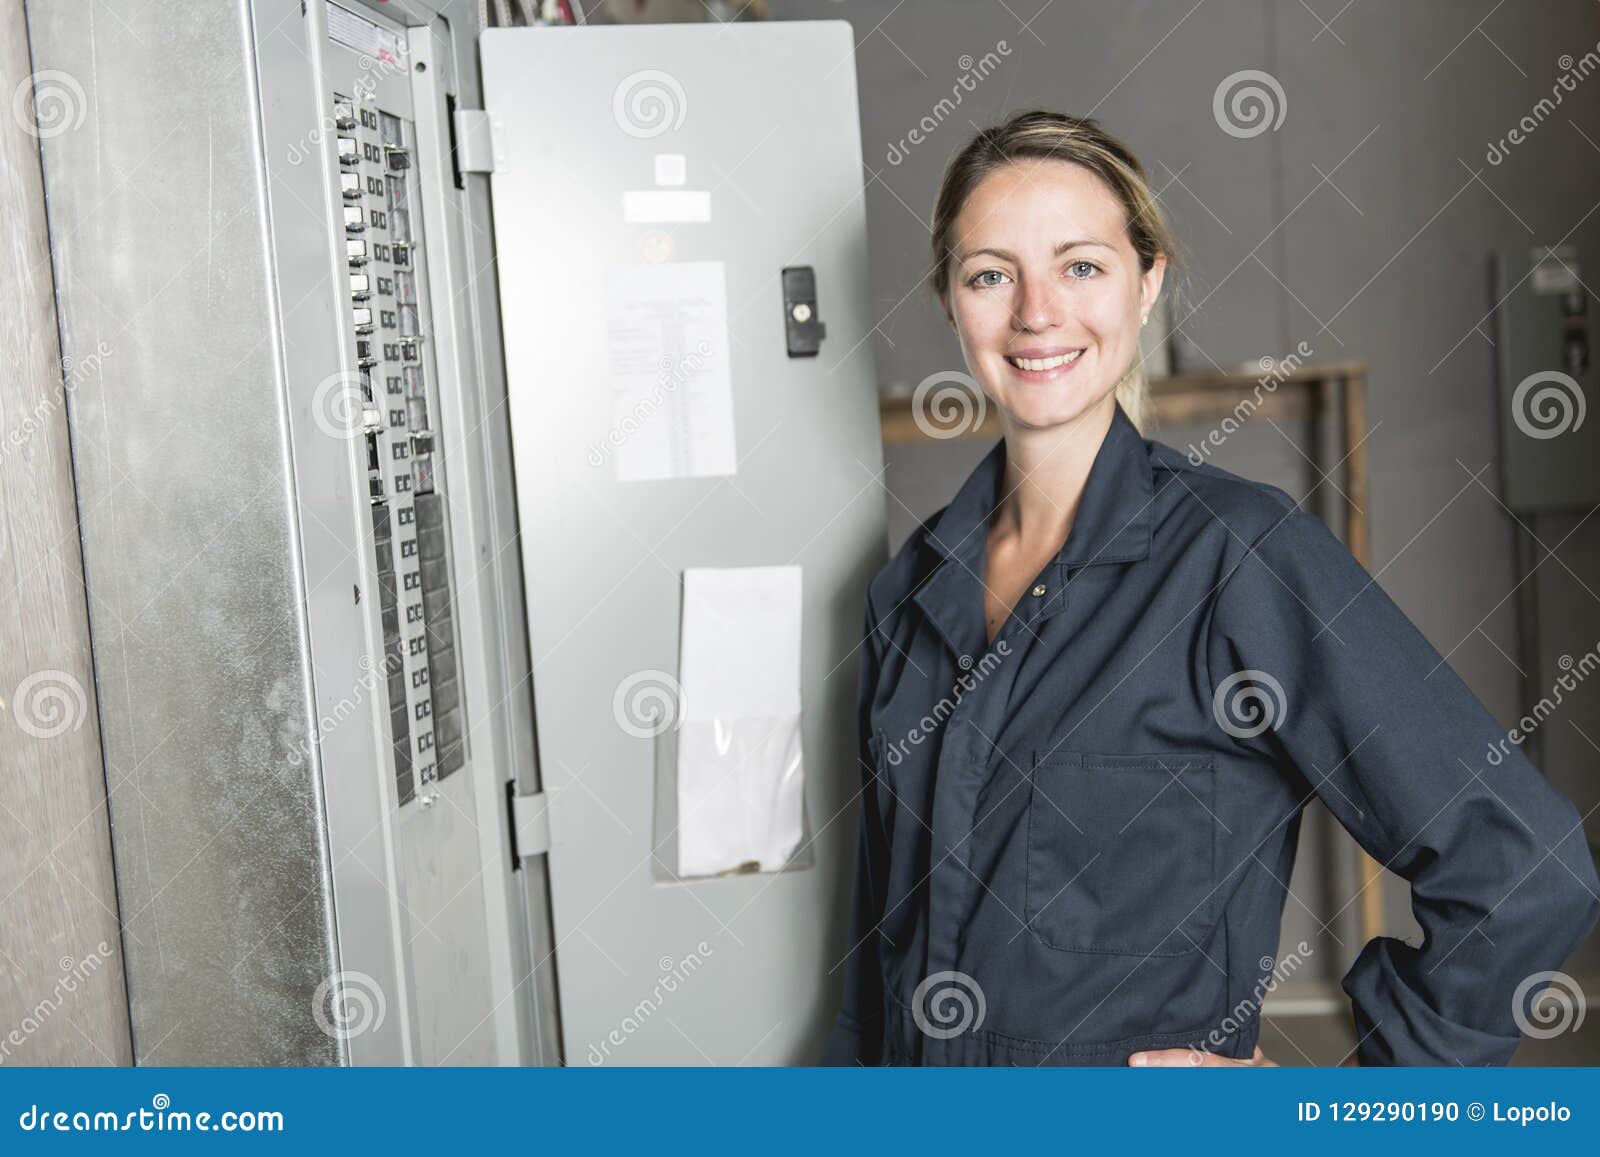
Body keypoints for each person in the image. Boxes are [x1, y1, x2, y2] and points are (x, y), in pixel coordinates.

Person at [822, 109, 1600, 1067]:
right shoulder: (908, 593)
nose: (1036, 312)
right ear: (950, 301)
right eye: (990, 274)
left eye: (1081, 266)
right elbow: (873, 963)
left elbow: (1524, 869)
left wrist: (1341, 1113)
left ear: (1148, 281)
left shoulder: (1240, 559)